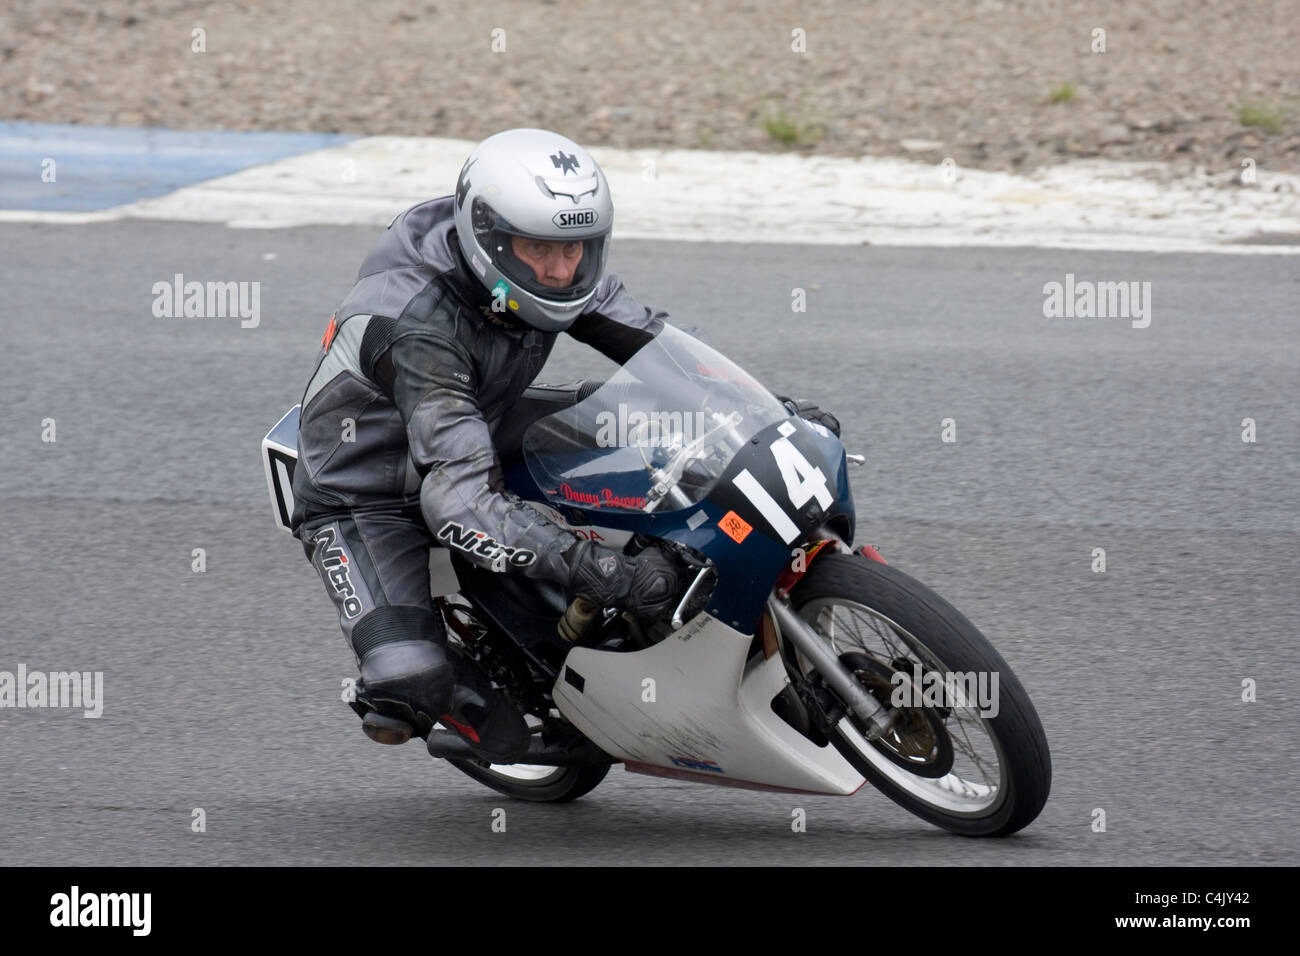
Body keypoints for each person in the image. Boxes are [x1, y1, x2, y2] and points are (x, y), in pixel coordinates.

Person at [291, 128, 839, 764]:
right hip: (370, 490)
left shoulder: (550, 271)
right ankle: (445, 687)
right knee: (409, 680)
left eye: (576, 248)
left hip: (484, 419)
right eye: (539, 250)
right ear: (488, 238)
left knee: (656, 435)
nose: (560, 269)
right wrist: (606, 572)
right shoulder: (417, 327)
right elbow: (457, 500)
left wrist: (758, 412)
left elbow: (660, 347)